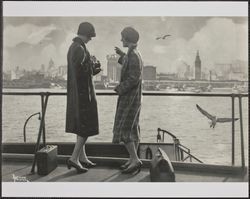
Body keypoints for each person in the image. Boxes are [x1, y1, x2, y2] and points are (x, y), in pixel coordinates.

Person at [65, 22, 101, 173]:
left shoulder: (75, 47)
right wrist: (92, 64)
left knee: (82, 127)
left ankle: (82, 157)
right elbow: (81, 73)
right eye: (90, 36)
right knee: (85, 127)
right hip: (83, 95)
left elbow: (79, 71)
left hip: (78, 94)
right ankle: (74, 158)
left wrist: (93, 68)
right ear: (86, 34)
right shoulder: (79, 49)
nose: (90, 39)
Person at [112, 27, 143, 174]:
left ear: (128, 39)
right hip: (132, 98)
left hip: (130, 99)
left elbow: (133, 78)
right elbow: (130, 64)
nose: (121, 40)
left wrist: (119, 88)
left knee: (125, 128)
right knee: (132, 128)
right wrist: (121, 54)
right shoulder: (133, 54)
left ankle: (135, 160)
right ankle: (132, 159)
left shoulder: (134, 55)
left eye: (122, 37)